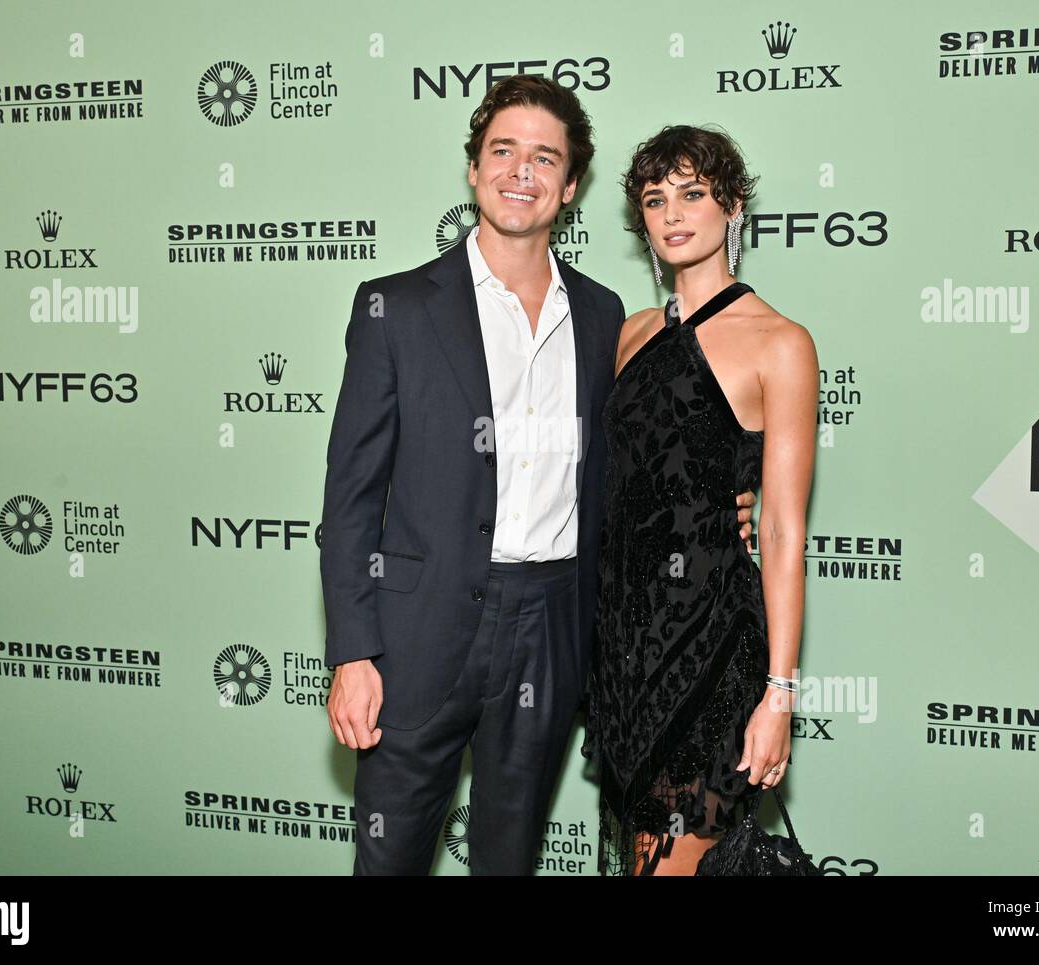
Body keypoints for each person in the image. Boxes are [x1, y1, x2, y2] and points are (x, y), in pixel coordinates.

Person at [319, 76, 758, 875]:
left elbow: (641, 460)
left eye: (544, 157)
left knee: (510, 860)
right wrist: (353, 653)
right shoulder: (395, 308)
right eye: (504, 151)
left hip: (551, 628)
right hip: (417, 637)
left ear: (570, 184)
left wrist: (727, 502)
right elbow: (348, 498)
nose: (521, 171)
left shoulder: (604, 318)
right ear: (475, 168)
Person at [581, 124, 819, 875]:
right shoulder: (631, 334)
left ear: (733, 206)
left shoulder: (781, 342)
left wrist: (779, 692)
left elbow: (780, 526)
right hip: (625, 647)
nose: (674, 213)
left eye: (692, 193)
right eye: (655, 199)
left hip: (714, 642)